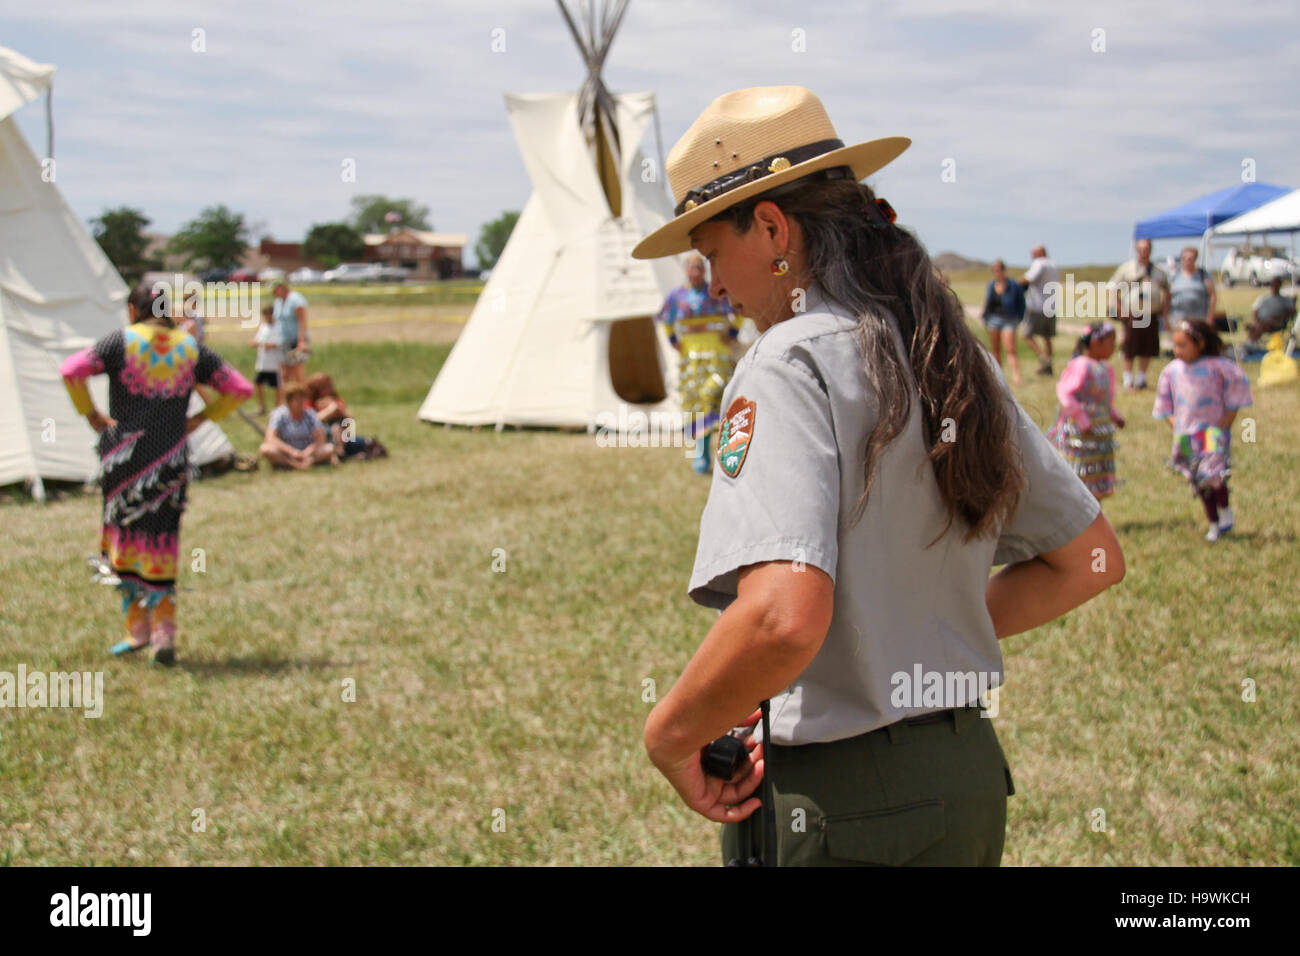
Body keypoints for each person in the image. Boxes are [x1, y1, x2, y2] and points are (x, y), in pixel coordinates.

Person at [631, 85, 1125, 867]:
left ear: (770, 227)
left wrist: (669, 734)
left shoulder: (785, 362)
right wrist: (916, 636)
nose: (714, 286)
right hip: (963, 785)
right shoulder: (950, 353)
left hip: (837, 803)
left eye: (711, 252)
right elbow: (1093, 558)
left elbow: (782, 617)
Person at [59, 283, 253, 665]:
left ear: (134, 310)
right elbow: (239, 388)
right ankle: (163, 636)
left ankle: (137, 630)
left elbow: (71, 370)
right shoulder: (189, 347)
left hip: (125, 461)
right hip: (169, 461)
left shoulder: (121, 341)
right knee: (162, 541)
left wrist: (93, 415)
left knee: (123, 539)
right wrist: (200, 418)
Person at [1153, 319, 1252, 543]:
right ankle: (1214, 523)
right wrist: (1176, 425)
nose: (1177, 350)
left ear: (1201, 343)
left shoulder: (1219, 367)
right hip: (1188, 435)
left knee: (1214, 477)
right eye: (1175, 345)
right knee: (1200, 482)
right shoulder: (1172, 371)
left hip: (1213, 432)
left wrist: (1226, 421)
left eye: (1182, 345)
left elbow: (1236, 394)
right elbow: (1164, 404)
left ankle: (1225, 509)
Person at [656, 254, 742, 474]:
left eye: (700, 268)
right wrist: (674, 340)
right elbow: (665, 318)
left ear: (705, 270)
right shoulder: (678, 296)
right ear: (686, 271)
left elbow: (740, 308)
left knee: (717, 399)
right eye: (692, 268)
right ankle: (701, 455)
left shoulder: (716, 292)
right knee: (695, 405)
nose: (696, 272)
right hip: (691, 356)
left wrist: (732, 332)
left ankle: (729, 452)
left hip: (716, 353)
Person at [1046, 323, 1125, 501]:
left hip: (1098, 435)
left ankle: (1093, 514)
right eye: (1111, 342)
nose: (1114, 347)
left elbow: (1103, 401)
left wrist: (1114, 417)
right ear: (1096, 342)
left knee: (1095, 476)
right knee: (1078, 476)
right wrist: (1082, 419)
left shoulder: (1105, 369)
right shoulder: (1081, 365)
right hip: (1080, 436)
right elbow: (1066, 394)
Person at [1108, 238, 1169, 390]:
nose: (1144, 252)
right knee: (1129, 346)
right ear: (1137, 250)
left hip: (1151, 313)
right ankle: (1128, 379)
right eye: (1141, 249)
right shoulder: (1127, 268)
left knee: (1147, 346)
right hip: (1132, 313)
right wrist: (1119, 308)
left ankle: (1141, 379)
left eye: (1146, 248)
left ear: (1150, 250)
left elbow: (1167, 290)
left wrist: (1164, 309)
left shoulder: (1158, 270)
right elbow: (1113, 288)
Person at [305, 372, 387, 460]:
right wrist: (329, 411)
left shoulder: (336, 401)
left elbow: (350, 424)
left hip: (344, 438)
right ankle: (343, 455)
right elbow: (311, 421)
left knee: (367, 442)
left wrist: (342, 413)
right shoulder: (310, 404)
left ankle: (346, 453)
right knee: (335, 429)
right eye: (325, 387)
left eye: (329, 386)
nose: (329, 389)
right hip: (321, 438)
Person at [260, 382, 336, 469]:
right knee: (266, 449)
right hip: (286, 453)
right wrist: (291, 451)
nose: (301, 402)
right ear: (289, 401)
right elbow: (270, 438)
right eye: (297, 399)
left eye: (303, 398)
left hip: (308, 452)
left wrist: (308, 451)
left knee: (329, 448)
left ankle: (308, 462)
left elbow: (320, 438)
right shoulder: (279, 414)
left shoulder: (310, 414)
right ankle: (292, 464)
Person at [981, 259, 1025, 386]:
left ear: (1004, 270)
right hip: (993, 319)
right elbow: (987, 302)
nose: (997, 272)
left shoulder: (1013, 285)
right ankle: (998, 377)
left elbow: (1021, 303)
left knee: (1010, 349)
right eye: (995, 270)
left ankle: (1016, 375)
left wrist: (1019, 318)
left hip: (1009, 320)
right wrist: (985, 316)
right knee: (996, 350)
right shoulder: (991, 285)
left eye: (999, 269)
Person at [1019, 244, 1059, 376]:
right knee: (1047, 336)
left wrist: (1015, 283)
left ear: (1039, 253)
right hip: (1051, 305)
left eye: (1033, 253)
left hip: (1037, 305)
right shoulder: (1053, 264)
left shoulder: (1039, 263)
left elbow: (1028, 278)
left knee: (1027, 334)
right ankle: (1049, 364)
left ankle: (1043, 358)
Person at [1168, 246, 1216, 329]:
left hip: (1199, 319)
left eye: (1190, 258)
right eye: (1184, 258)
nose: (1187, 261)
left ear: (1195, 259)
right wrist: (1166, 317)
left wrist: (1210, 316)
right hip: (1178, 319)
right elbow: (1167, 298)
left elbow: (1212, 296)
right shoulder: (1174, 276)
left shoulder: (1203, 275)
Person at [273, 282, 310, 384]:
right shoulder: (278, 302)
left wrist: (301, 341)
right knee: (285, 374)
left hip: (296, 340)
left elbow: (302, 320)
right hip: (284, 340)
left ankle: (303, 398)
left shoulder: (296, 299)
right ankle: (287, 399)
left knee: (298, 374)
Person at [252, 303, 283, 414]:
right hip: (263, 362)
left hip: (275, 363)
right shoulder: (263, 327)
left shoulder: (279, 326)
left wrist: (272, 345)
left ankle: (278, 407)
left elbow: (282, 342)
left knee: (278, 386)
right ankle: (262, 406)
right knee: (258, 384)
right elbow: (255, 340)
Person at [1245, 276, 1295, 344]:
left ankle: (1250, 343)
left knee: (1261, 326)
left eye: (1276, 285)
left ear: (1280, 286)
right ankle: (1249, 344)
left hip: (1276, 322)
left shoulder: (1286, 299)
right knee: (1254, 327)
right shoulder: (1263, 298)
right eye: (1272, 285)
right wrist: (1257, 320)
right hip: (1261, 321)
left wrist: (1281, 317)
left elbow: (1292, 312)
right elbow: (1255, 311)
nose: (1274, 287)